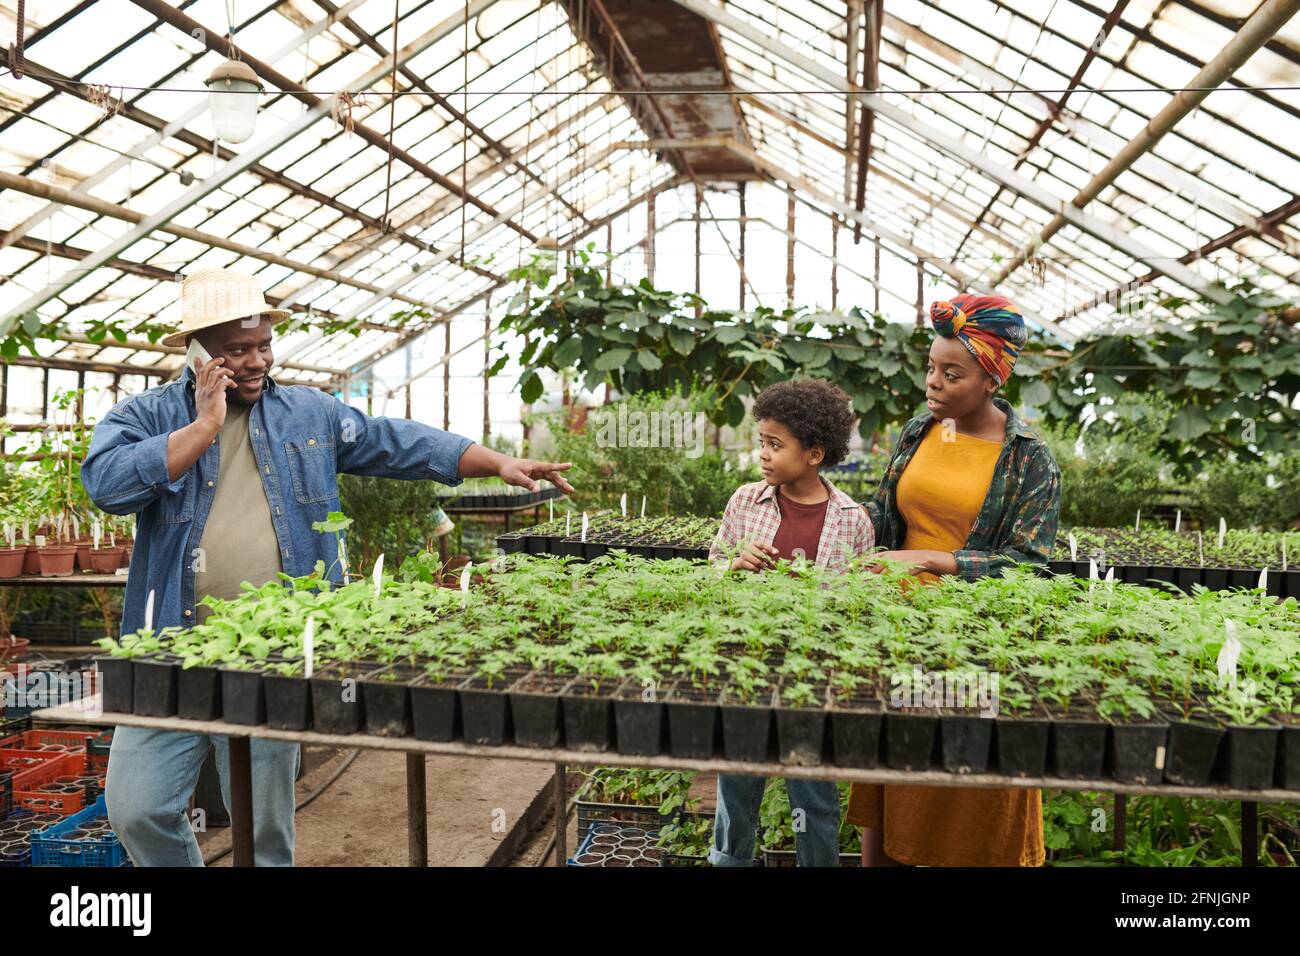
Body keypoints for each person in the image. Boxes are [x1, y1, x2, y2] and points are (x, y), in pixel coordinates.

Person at [81, 267, 574, 866]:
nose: (257, 360)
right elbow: (107, 484)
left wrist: (494, 462)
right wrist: (205, 424)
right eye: (238, 350)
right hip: (168, 649)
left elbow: (397, 442)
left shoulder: (307, 413)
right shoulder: (147, 416)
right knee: (137, 807)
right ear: (198, 352)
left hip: (279, 649)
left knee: (262, 826)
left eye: (264, 344)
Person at [850, 293, 1061, 867]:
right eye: (930, 368)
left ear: (992, 378)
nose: (933, 383)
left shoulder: (1028, 458)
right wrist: (813, 507)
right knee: (897, 770)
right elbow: (883, 516)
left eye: (952, 373)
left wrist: (932, 562)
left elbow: (1029, 564)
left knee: (971, 784)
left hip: (975, 638)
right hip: (897, 626)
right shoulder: (920, 429)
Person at [707, 378, 874, 866]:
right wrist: (734, 564)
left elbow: (862, 605)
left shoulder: (852, 519)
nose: (763, 454)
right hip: (749, 670)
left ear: (815, 453)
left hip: (814, 676)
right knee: (736, 790)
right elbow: (711, 569)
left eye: (775, 445)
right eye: (761, 442)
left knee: (814, 796)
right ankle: (730, 860)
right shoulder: (745, 502)